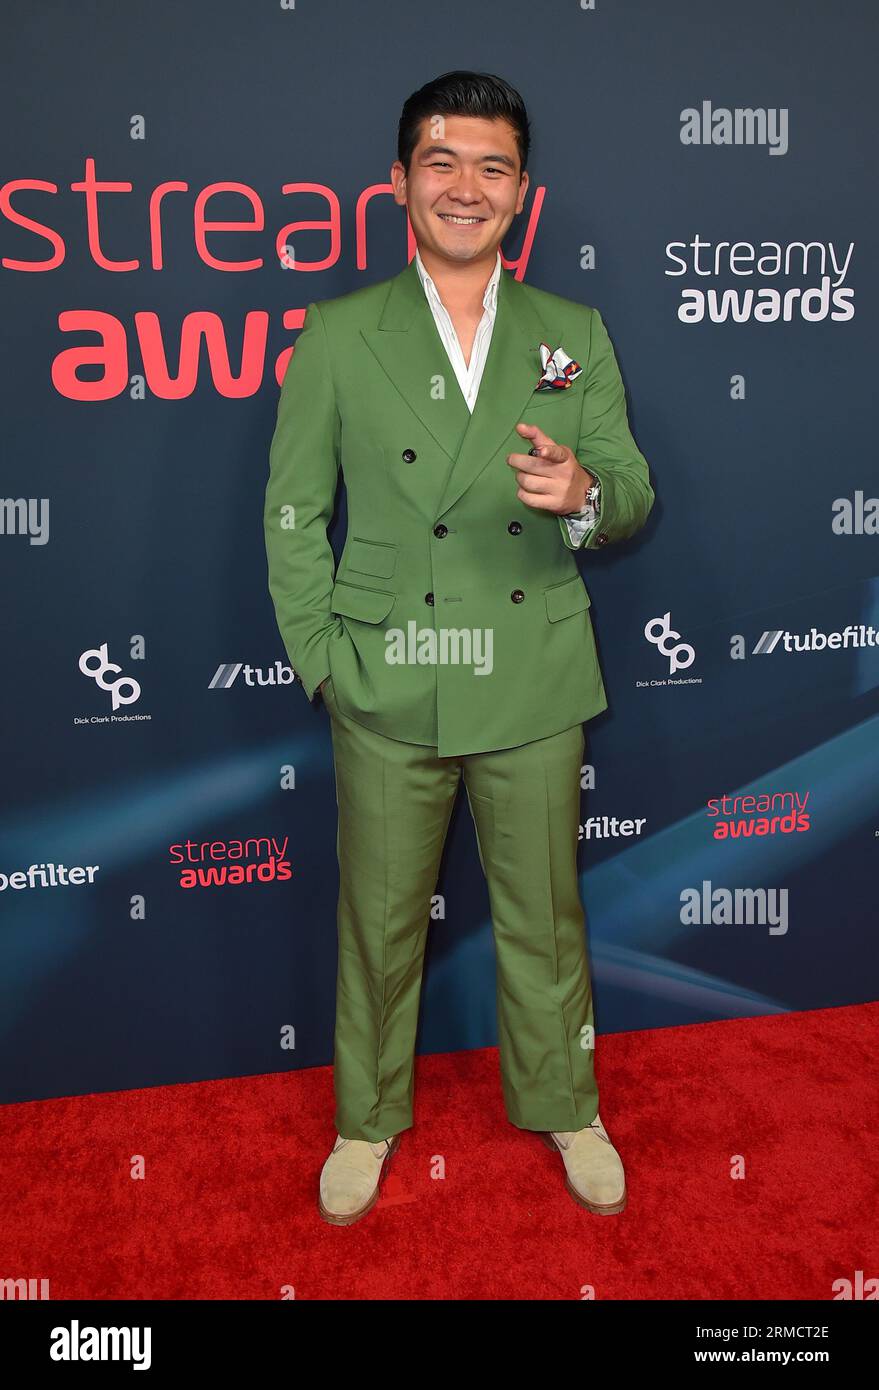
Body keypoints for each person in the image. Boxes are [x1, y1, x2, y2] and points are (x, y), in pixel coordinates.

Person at [264, 70, 654, 1226]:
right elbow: (292, 516)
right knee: (378, 920)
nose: (466, 186)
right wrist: (325, 662)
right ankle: (366, 1117)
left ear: (521, 190)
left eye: (492, 166)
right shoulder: (338, 335)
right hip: (386, 675)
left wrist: (582, 492)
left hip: (531, 667)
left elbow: (630, 490)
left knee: (545, 914)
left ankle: (566, 1101)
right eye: (443, 162)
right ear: (400, 182)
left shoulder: (570, 336)